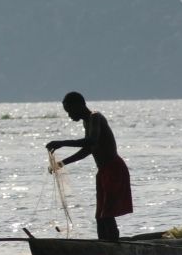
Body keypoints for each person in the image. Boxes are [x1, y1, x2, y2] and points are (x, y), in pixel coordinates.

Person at [45, 92, 132, 240]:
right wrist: (61, 163)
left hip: (114, 169)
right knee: (100, 215)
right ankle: (103, 245)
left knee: (107, 214)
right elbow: (87, 150)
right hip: (103, 172)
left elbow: (91, 141)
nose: (69, 115)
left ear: (79, 105)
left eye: (70, 111)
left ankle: (114, 247)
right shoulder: (87, 122)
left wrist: (61, 142)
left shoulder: (95, 117)